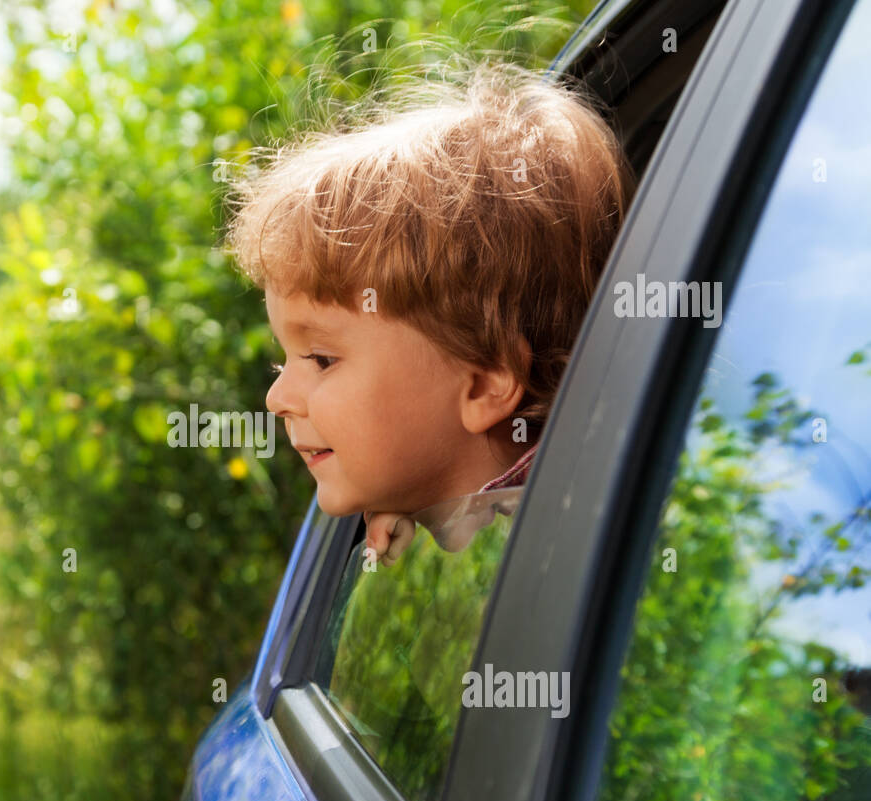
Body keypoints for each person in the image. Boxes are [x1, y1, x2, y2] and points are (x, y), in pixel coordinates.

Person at [220, 59, 634, 565]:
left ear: (484, 384)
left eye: (322, 359)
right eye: (284, 361)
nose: (276, 397)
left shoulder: (558, 549)